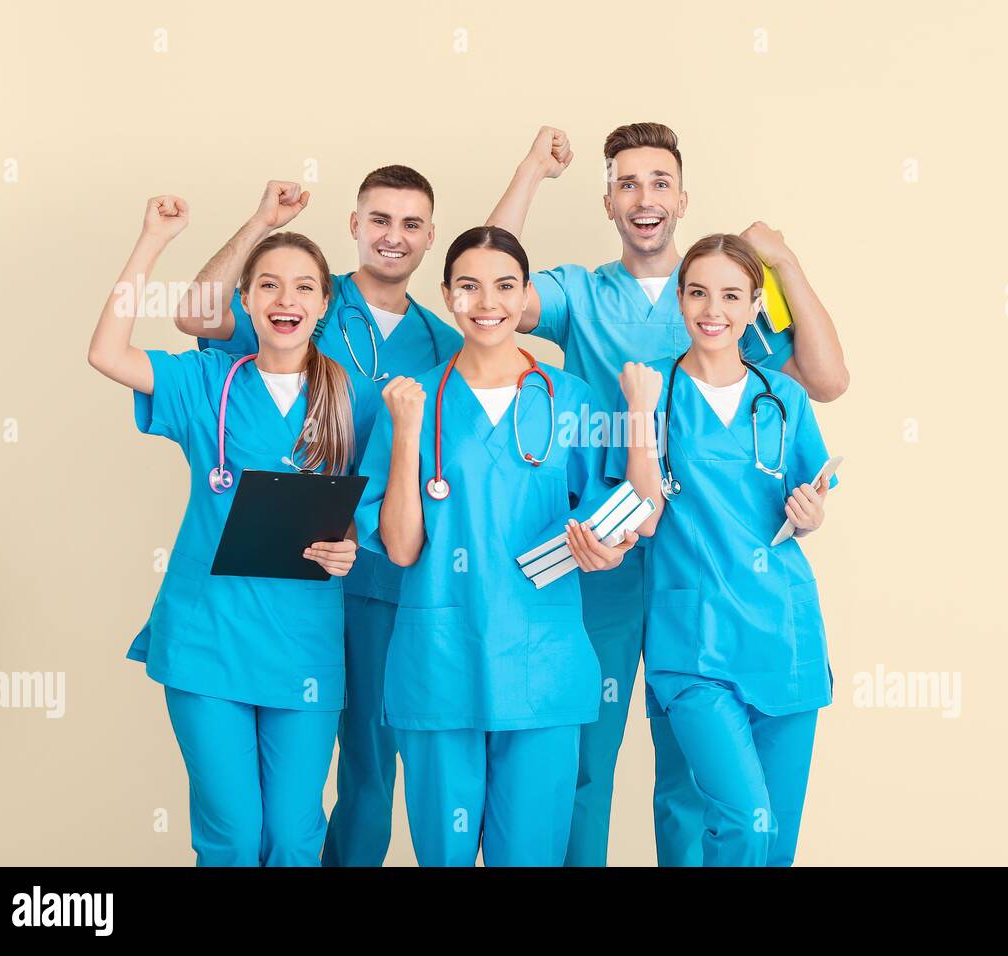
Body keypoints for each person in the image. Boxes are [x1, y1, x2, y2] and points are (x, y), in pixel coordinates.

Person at [486, 122, 849, 865]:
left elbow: (827, 379)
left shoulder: (724, 289)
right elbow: (488, 282)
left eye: (658, 182)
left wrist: (780, 257)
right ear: (608, 201)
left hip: (708, 566)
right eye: (626, 183)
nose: (643, 197)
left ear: (682, 198)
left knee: (696, 777)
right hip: (611, 552)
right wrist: (529, 172)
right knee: (589, 758)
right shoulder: (579, 292)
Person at [175, 169, 462, 866]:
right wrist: (260, 224)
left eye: (412, 223)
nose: (394, 236)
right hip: (285, 586)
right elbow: (195, 316)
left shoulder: (441, 344)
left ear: (429, 238)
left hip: (381, 583)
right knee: (252, 814)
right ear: (356, 225)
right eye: (380, 219)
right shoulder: (301, 294)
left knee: (368, 768)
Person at [88, 196, 381, 865]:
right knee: (233, 835)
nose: (287, 299)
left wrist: (355, 543)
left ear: (325, 303)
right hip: (207, 642)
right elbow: (107, 352)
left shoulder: (356, 399)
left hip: (304, 649)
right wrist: (151, 240)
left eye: (305, 286)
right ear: (244, 302)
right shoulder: (206, 382)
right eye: (269, 285)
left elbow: (385, 501)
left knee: (294, 835)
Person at [353, 225, 635, 866]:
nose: (488, 302)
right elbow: (399, 547)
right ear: (448, 294)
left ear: (527, 293)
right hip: (440, 663)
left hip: (540, 665)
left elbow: (609, 519)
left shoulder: (571, 400)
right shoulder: (412, 400)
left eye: (506, 285)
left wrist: (606, 549)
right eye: (470, 286)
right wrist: (404, 434)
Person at [611, 234, 837, 865]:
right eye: (699, 292)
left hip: (784, 634)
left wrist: (812, 514)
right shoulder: (652, 395)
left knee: (776, 842)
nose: (714, 309)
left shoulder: (783, 397)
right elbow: (644, 514)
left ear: (753, 305)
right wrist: (638, 415)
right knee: (745, 820)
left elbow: (811, 494)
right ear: (680, 300)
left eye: (732, 295)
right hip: (696, 640)